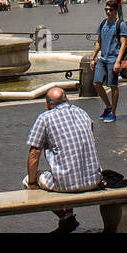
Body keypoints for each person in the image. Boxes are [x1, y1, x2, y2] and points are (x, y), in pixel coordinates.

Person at [24, 87, 103, 233]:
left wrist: (32, 183)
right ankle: (67, 219)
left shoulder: (44, 118)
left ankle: (66, 217)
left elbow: (34, 153)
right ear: (67, 99)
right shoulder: (82, 113)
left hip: (66, 183)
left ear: (47, 105)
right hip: (94, 179)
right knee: (70, 165)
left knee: (29, 180)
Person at [89, 0, 127, 124]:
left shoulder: (120, 24)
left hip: (113, 59)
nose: (108, 12)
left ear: (115, 11)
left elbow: (124, 44)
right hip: (102, 59)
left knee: (113, 86)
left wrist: (118, 61)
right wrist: (93, 57)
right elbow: (98, 41)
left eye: (110, 10)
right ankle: (108, 106)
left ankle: (113, 112)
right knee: (96, 83)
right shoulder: (103, 23)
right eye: (106, 9)